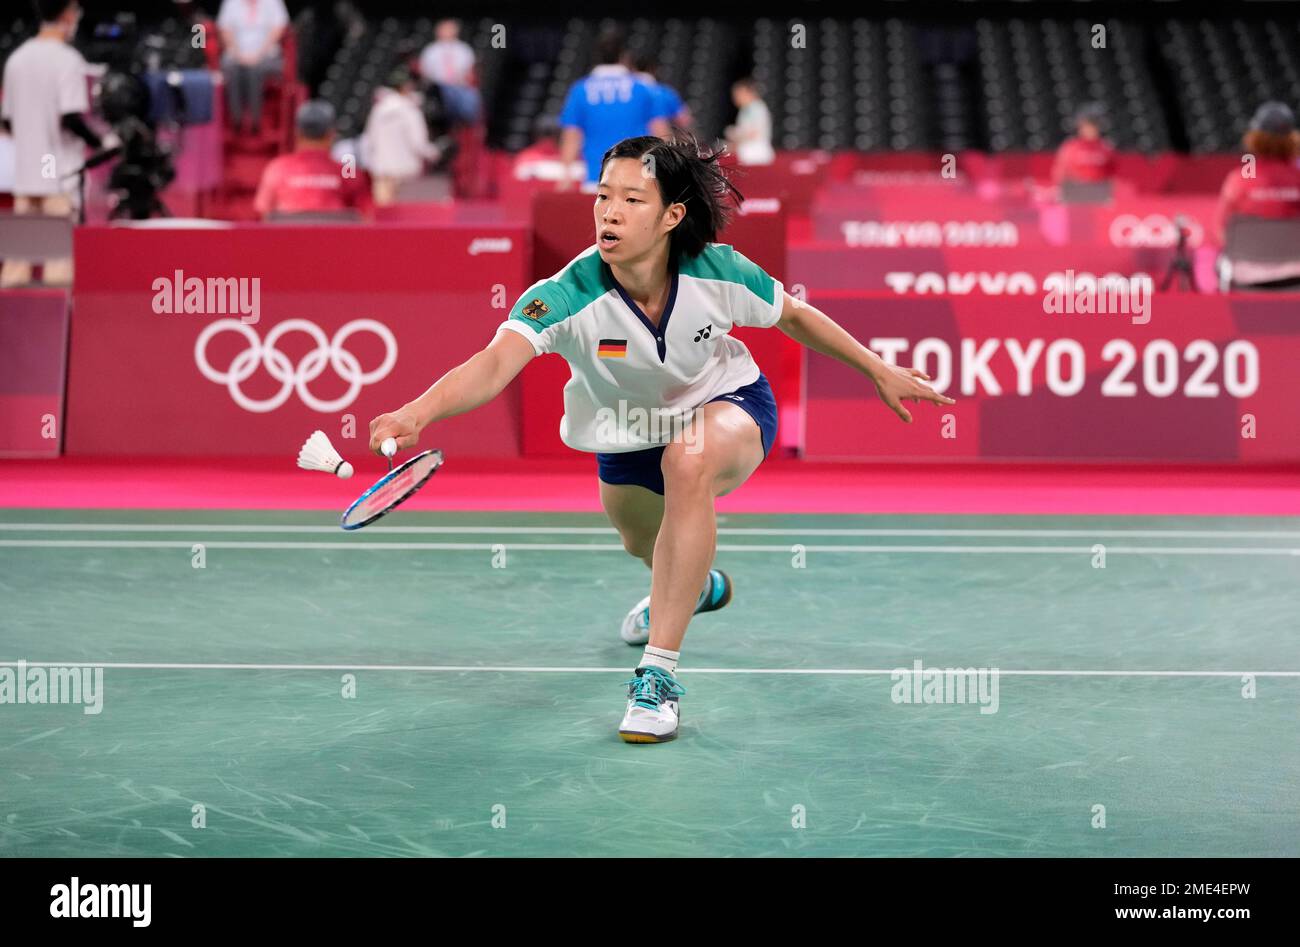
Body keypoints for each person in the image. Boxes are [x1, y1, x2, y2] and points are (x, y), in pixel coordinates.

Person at [366, 135, 952, 743]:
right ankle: (693, 589)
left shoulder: (718, 270)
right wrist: (419, 410)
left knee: (689, 462)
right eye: (602, 196)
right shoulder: (565, 296)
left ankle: (658, 677)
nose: (609, 212)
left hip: (728, 407)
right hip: (627, 436)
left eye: (631, 199)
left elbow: (796, 316)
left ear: (672, 215)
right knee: (645, 544)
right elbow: (492, 365)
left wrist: (878, 369)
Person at [0, 0, 103, 287]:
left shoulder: (16, 59)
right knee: (59, 265)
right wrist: (101, 142)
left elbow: (8, 121)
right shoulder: (67, 60)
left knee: (15, 264)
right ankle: (60, 323)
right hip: (57, 174)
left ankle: (10, 322)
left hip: (26, 173)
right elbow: (71, 117)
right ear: (68, 14)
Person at [557, 29, 669, 188]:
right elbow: (660, 132)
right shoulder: (643, 88)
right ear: (624, 57)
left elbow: (571, 137)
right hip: (638, 180)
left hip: (596, 180)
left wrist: (565, 177)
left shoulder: (580, 90)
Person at [1215, 101, 1300, 289]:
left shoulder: (1239, 180)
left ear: (1255, 137)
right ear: (1292, 137)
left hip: (1247, 276)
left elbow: (1222, 234)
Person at [253, 99, 372, 218]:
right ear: (331, 133)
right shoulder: (347, 170)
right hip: (334, 236)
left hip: (288, 236)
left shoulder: (277, 168)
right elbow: (365, 215)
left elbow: (264, 213)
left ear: (297, 133)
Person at [362, 67, 440, 206]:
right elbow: (418, 144)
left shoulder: (379, 110)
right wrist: (435, 153)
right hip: (405, 174)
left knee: (382, 218)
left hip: (382, 172)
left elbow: (369, 141)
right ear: (406, 86)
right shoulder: (410, 110)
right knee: (403, 219)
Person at [217, 0, 289, 136]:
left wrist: (258, 55)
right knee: (233, 70)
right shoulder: (230, 3)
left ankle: (255, 119)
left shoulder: (274, 3)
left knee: (255, 70)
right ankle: (236, 119)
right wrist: (239, 55)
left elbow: (278, 29)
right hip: (236, 54)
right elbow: (225, 30)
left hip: (266, 54)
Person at [417, 18, 479, 127]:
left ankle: (467, 124)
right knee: (445, 92)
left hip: (460, 87)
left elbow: (470, 73)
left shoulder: (464, 50)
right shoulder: (430, 50)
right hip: (437, 88)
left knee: (472, 95)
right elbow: (425, 73)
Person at [1051, 102, 1116, 184]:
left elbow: (1114, 174)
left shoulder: (1106, 147)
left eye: (1094, 126)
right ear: (1080, 127)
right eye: (1087, 126)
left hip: (1099, 192)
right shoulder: (1070, 147)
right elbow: (1060, 173)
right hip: (1075, 191)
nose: (1090, 129)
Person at [724, 77, 774, 166]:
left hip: (757, 152)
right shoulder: (744, 110)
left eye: (738, 94)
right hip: (747, 148)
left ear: (747, 93)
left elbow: (753, 133)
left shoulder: (758, 108)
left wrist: (735, 137)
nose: (735, 98)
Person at [633, 54, 691, 129]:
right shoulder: (665, 93)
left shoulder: (623, 94)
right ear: (654, 69)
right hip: (653, 138)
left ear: (633, 68)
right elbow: (684, 121)